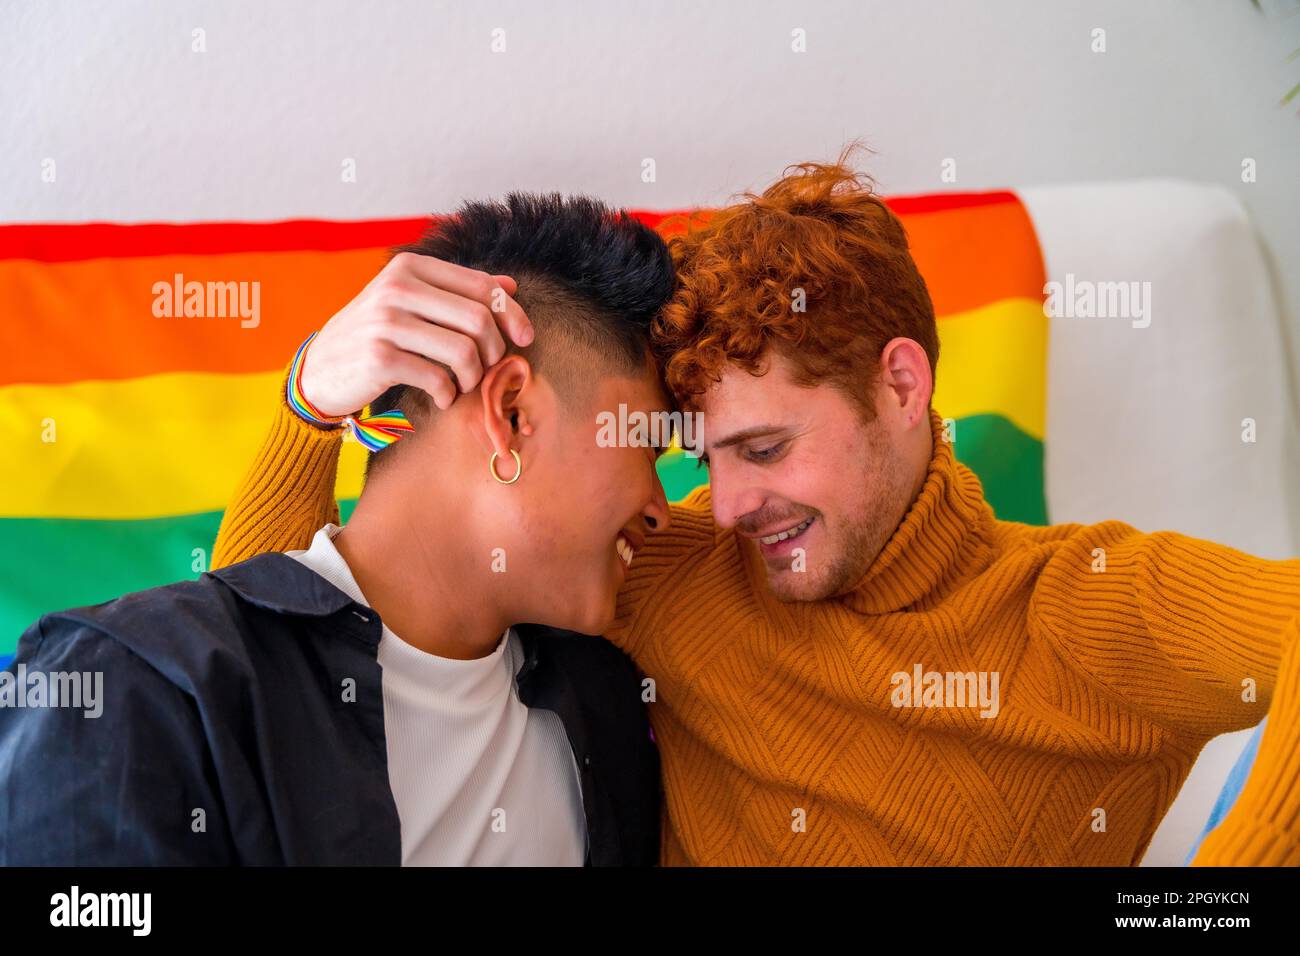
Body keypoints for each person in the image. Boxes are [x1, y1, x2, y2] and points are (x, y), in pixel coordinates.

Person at [216, 156, 1300, 867]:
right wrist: (312, 398)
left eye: (766, 448)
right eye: (702, 458)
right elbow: (275, 639)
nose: (726, 506)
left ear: (901, 386)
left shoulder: (1082, 605)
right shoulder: (669, 569)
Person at [0, 193, 673, 866]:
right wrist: (308, 399)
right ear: (512, 409)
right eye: (646, 444)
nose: (661, 505)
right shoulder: (129, 685)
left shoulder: (609, 708)